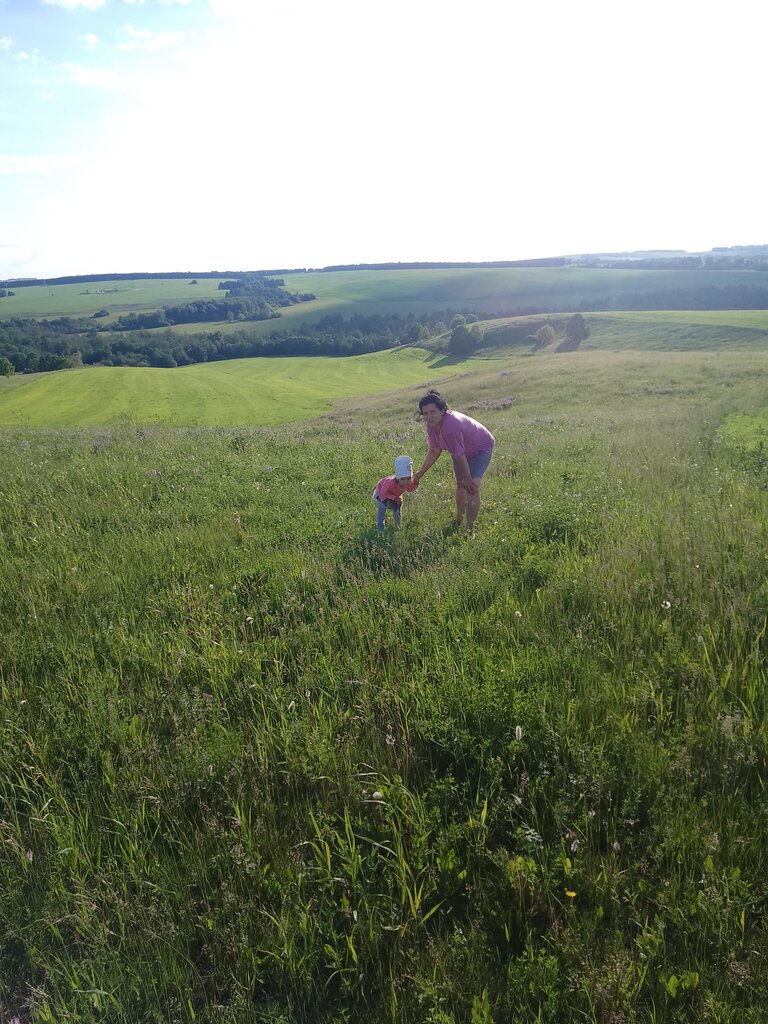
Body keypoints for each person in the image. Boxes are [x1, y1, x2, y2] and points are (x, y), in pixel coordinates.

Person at [413, 391, 494, 529]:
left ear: (443, 410)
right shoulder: (432, 426)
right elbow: (434, 450)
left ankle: (470, 528)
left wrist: (467, 476)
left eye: (433, 412)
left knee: (472, 487)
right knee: (460, 485)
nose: (429, 416)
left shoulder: (450, 425)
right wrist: (420, 473)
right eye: (425, 413)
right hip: (461, 453)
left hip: (481, 448)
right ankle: (458, 520)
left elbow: (458, 454)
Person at [373, 455, 419, 529]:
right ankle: (380, 528)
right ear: (398, 478)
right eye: (403, 479)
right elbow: (383, 493)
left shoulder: (407, 483)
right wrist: (393, 498)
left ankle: (398, 526)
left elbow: (410, 489)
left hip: (396, 497)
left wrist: (416, 483)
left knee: (397, 510)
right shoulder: (390, 482)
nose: (405, 482)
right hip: (381, 496)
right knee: (382, 510)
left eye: (408, 479)